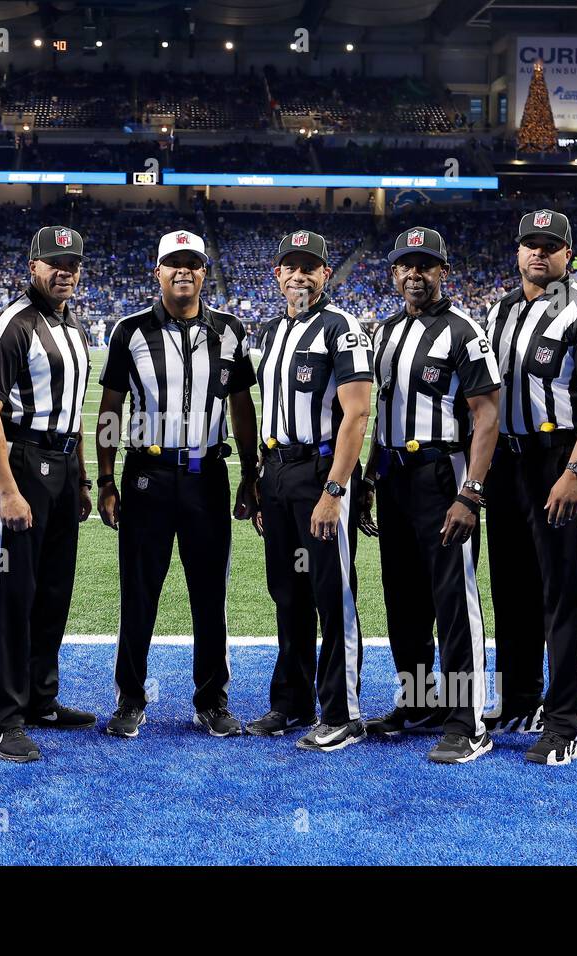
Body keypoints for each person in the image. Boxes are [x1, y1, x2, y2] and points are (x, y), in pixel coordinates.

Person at [94, 229, 258, 739]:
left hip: (207, 474)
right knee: (138, 592)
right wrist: (104, 477)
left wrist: (250, 475)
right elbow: (111, 409)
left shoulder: (231, 332)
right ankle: (130, 697)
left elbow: (243, 406)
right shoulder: (129, 331)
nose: (183, 271)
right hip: (146, 474)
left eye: (193, 263)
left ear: (205, 271)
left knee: (210, 595)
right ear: (158, 271)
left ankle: (211, 699)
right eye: (174, 263)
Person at [481, 210, 577, 765]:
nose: (538, 254)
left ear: (568, 253)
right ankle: (521, 698)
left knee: (564, 589)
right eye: (529, 245)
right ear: (517, 252)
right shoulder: (501, 310)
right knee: (511, 584)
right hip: (509, 463)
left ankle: (568, 720)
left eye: (550, 246)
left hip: (559, 457)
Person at [358, 226, 501, 765]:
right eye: (404, 265)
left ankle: (468, 721)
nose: (414, 274)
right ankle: (420, 703)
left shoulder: (464, 331)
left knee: (454, 599)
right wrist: (371, 477)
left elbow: (486, 416)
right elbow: (380, 415)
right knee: (404, 598)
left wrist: (471, 493)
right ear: (394, 273)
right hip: (395, 476)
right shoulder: (386, 330)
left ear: (444, 271)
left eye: (425, 265)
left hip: (444, 474)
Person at [246, 230, 374, 752]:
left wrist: (335, 489)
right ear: (277, 275)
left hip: (320, 472)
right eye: (290, 267)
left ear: (326, 274)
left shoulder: (341, 328)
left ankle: (342, 711)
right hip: (278, 471)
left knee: (331, 591)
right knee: (288, 592)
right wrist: (260, 478)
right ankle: (292, 702)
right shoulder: (274, 329)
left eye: (310, 267)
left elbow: (357, 413)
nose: (299, 275)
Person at [0, 226, 94, 763]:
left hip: (64, 466)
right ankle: (4, 716)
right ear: (32, 265)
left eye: (71, 264)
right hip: (24, 461)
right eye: (54, 263)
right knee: (13, 595)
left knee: (52, 592)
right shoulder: (11, 323)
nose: (63, 272)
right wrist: (7, 488)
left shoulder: (73, 323)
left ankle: (41, 699)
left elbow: (76, 413)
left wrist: (83, 476)